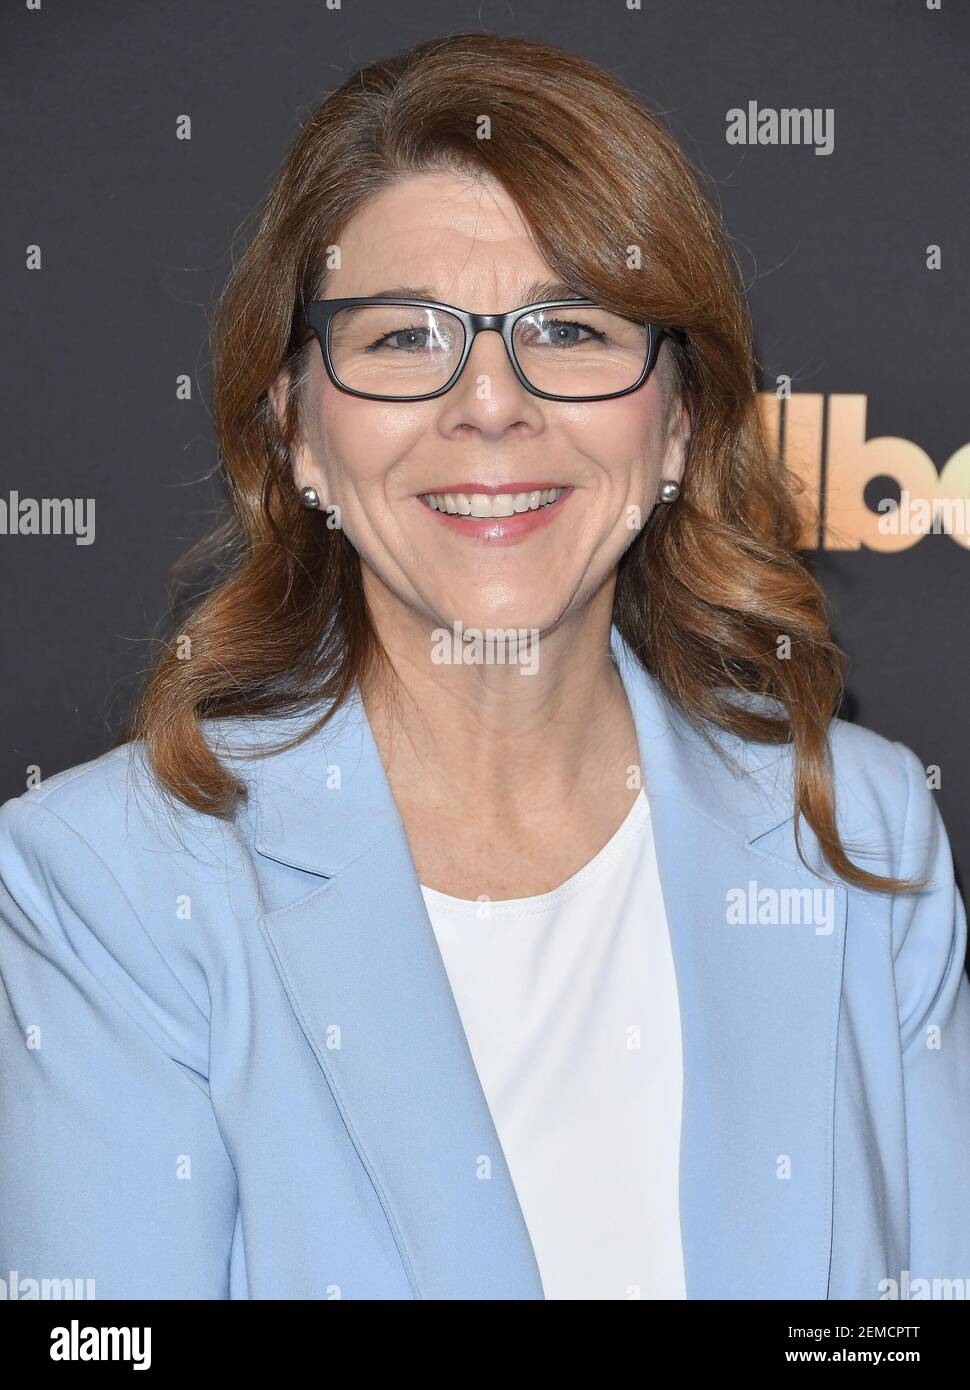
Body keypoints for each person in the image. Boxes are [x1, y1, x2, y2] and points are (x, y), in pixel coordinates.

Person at [1, 32, 968, 1302]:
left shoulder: (855, 828)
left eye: (567, 328)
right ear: (296, 430)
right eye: (404, 340)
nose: (491, 404)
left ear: (677, 420)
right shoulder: (105, 880)